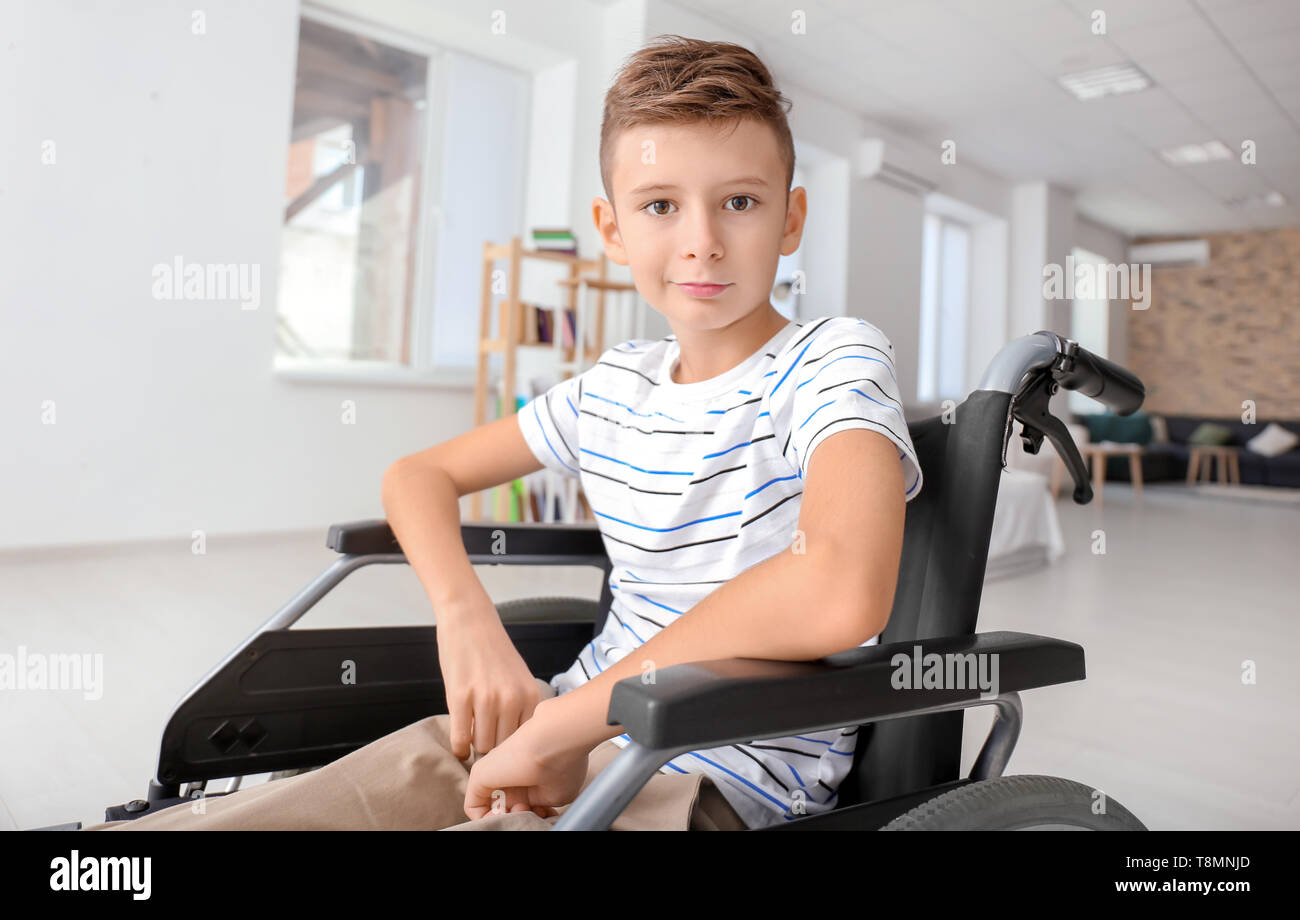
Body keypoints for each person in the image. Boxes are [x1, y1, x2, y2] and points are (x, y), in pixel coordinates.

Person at [86, 33, 922, 833]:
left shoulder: (832, 360)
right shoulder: (613, 385)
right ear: (612, 228)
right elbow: (417, 475)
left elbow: (838, 587)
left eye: (739, 201)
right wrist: (468, 621)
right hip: (552, 734)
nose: (700, 243)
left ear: (790, 218)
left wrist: (566, 729)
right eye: (660, 205)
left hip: (704, 776)